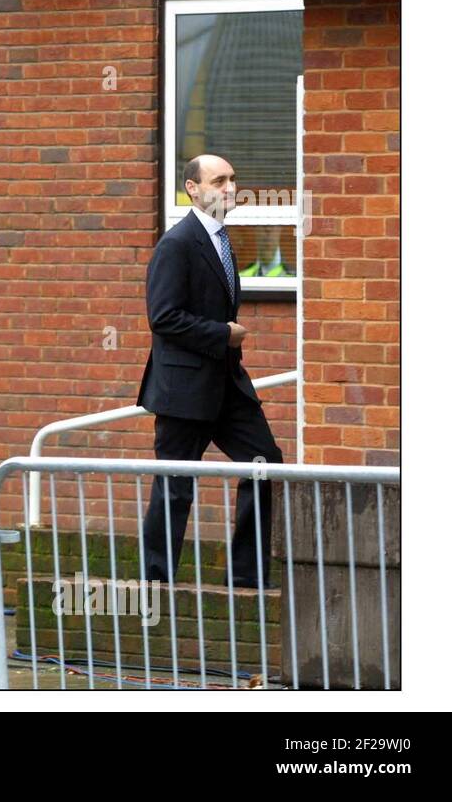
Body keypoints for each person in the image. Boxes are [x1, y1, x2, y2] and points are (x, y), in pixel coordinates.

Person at [137, 154, 283, 588]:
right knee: (176, 485)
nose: (230, 187)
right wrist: (223, 333)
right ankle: (154, 584)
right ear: (193, 189)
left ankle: (247, 577)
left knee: (265, 463)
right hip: (183, 388)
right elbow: (162, 317)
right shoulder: (177, 244)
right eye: (219, 180)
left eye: (233, 179)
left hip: (227, 388)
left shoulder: (222, 239)